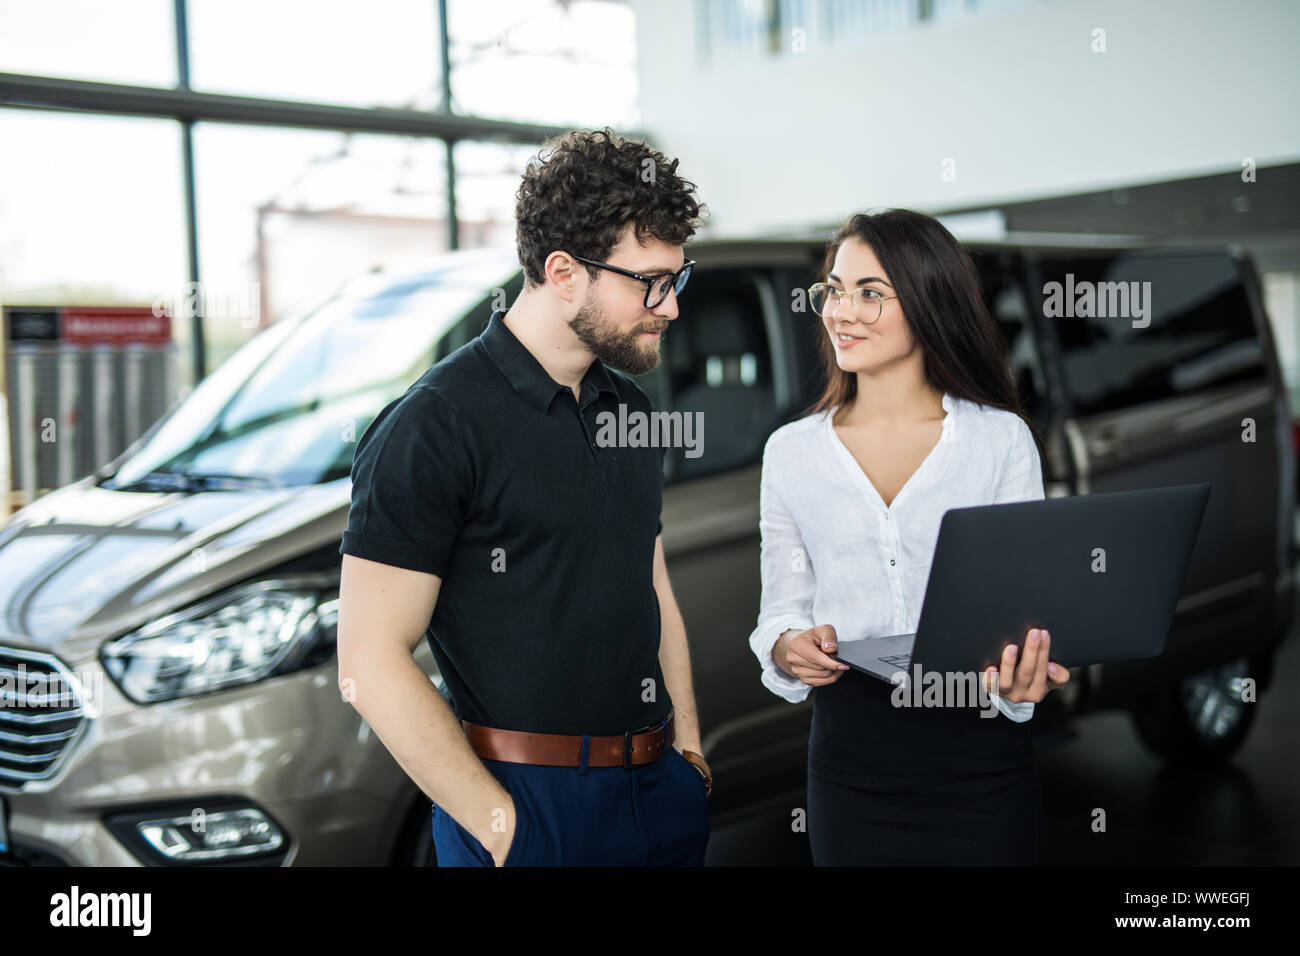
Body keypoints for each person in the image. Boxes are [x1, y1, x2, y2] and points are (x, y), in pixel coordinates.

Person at [337, 128, 711, 866]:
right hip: (527, 805)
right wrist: (502, 828)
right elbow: (369, 662)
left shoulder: (631, 410)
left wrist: (689, 753)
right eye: (650, 282)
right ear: (564, 272)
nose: (669, 307)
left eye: (677, 277)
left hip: (657, 793)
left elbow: (652, 583)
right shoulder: (435, 424)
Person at [748, 209, 1071, 866]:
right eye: (835, 289)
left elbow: (1024, 610)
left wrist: (1022, 678)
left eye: (871, 292)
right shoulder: (791, 453)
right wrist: (787, 649)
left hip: (980, 762)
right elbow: (781, 609)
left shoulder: (999, 439)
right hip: (850, 766)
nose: (842, 310)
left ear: (928, 301)